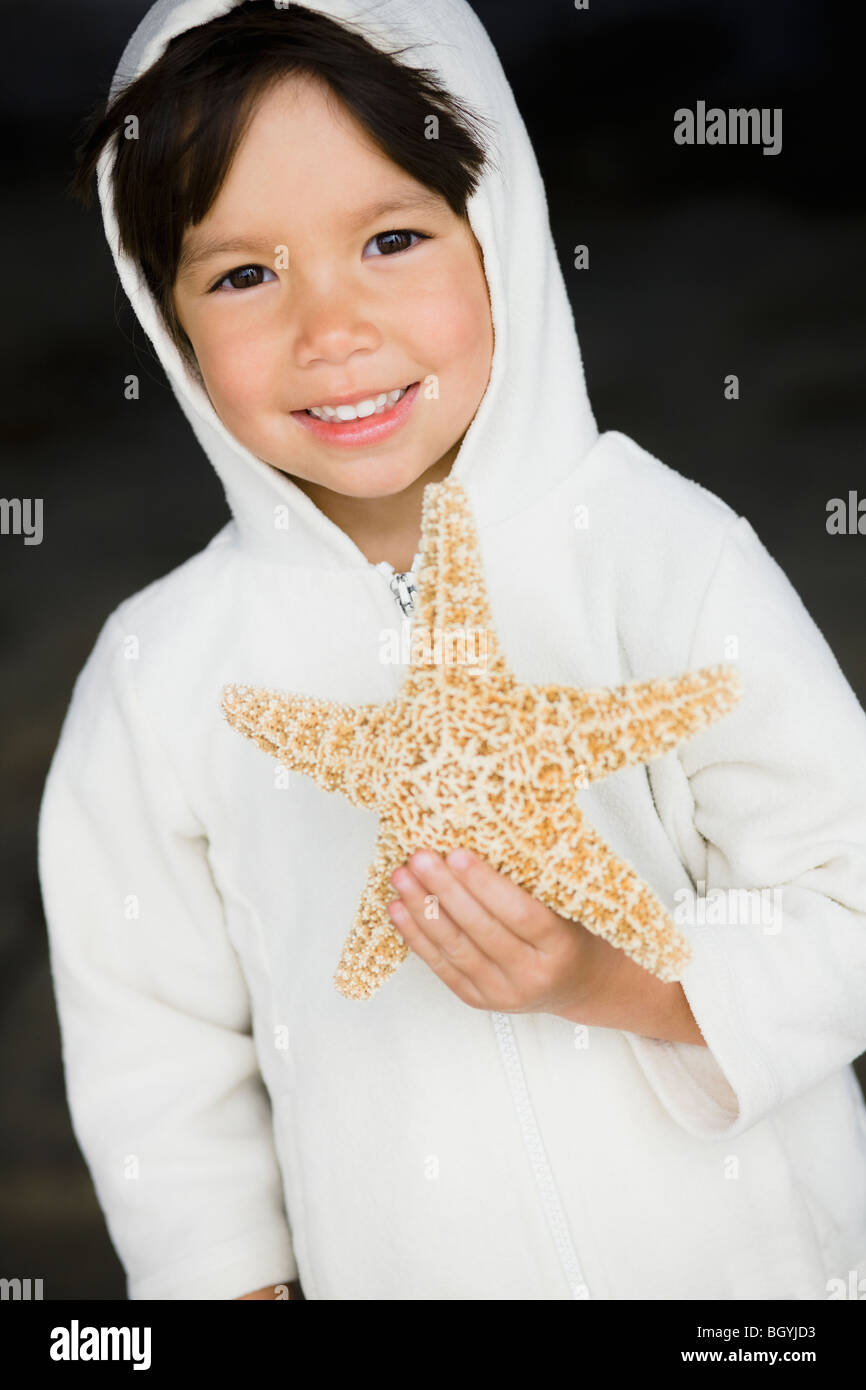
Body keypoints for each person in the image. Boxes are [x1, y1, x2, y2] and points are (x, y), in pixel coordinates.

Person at [39, 0, 866, 1301]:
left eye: (390, 238)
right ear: (165, 314)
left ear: (502, 234)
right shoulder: (160, 673)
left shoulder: (660, 551)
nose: (331, 326)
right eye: (244, 272)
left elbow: (844, 891)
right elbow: (153, 1053)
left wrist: (621, 974)